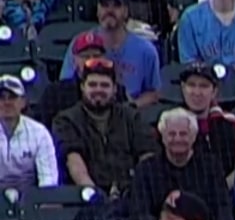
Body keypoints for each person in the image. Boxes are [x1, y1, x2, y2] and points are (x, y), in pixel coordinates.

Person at [51, 59, 159, 199]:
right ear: (82, 87)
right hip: (85, 196)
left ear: (114, 89)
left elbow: (147, 155)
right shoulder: (66, 120)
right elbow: (73, 161)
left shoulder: (132, 117)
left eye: (105, 85)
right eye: (92, 85)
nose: (98, 90)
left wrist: (139, 190)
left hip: (130, 194)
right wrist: (93, 193)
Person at [125, 108, 235, 220]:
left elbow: (223, 208)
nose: (177, 139)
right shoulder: (146, 169)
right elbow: (139, 215)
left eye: (183, 134)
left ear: (193, 137)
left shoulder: (211, 167)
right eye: (172, 134)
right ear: (163, 138)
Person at [62, 0, 163, 107]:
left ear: (126, 11)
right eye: (104, 5)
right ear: (97, 10)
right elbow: (65, 84)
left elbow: (154, 93)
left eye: (116, 6)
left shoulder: (146, 50)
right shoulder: (80, 43)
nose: (109, 10)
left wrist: (131, 107)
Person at [177, 63, 235, 186]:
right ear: (183, 88)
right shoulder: (170, 123)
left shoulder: (231, 123)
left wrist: (218, 191)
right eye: (191, 85)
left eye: (203, 86)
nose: (197, 92)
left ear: (214, 91)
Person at [0, 74, 58, 189]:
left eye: (12, 97)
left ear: (23, 102)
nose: (6, 103)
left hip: (30, 198)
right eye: (1, 98)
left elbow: (48, 178)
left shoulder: (39, 133)